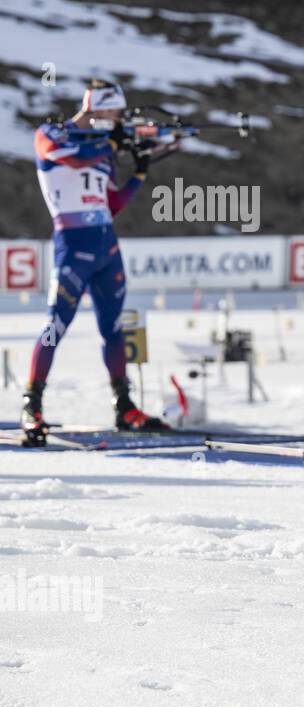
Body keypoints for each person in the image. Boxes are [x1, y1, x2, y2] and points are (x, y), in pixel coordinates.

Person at [20, 79, 178, 446]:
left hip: (107, 246)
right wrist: (112, 142)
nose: (118, 120)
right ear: (97, 109)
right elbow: (75, 157)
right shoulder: (52, 134)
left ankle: (124, 406)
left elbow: (114, 204)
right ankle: (32, 404)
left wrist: (139, 172)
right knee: (55, 326)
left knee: (113, 328)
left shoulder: (104, 152)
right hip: (73, 246)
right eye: (114, 114)